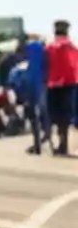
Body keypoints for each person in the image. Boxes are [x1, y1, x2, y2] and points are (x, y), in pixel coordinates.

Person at [45, 20, 78, 156]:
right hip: (68, 85)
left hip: (53, 85)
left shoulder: (49, 47)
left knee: (55, 116)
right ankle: (63, 145)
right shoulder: (71, 47)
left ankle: (59, 144)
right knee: (65, 117)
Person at [20, 34, 48, 155]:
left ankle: (37, 145)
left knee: (34, 117)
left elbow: (27, 78)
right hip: (43, 86)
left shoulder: (30, 63)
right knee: (44, 115)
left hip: (33, 89)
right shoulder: (43, 56)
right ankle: (45, 138)